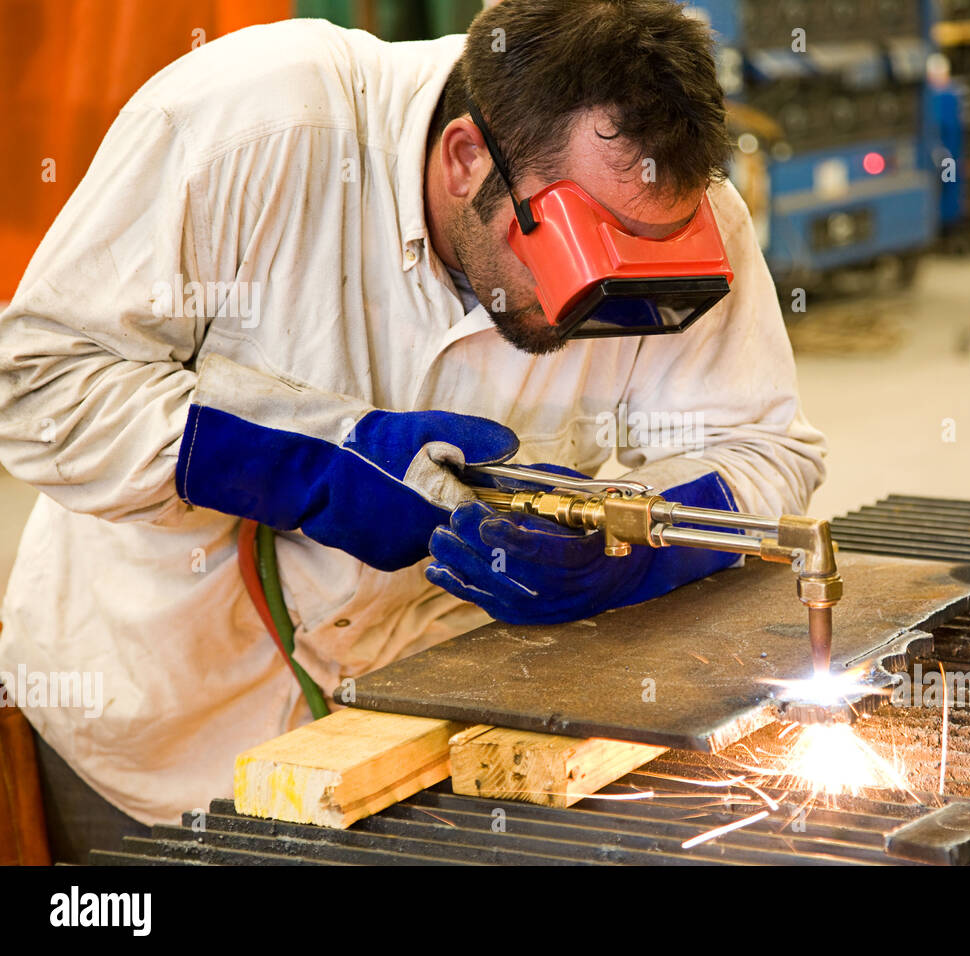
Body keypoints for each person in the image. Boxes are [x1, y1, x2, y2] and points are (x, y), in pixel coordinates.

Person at [0, 0, 825, 862]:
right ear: (467, 157)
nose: (584, 317)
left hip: (439, 743)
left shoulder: (678, 208)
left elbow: (767, 447)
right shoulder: (256, 123)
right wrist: (309, 464)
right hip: (164, 729)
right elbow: (41, 385)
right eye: (577, 261)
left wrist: (636, 545)